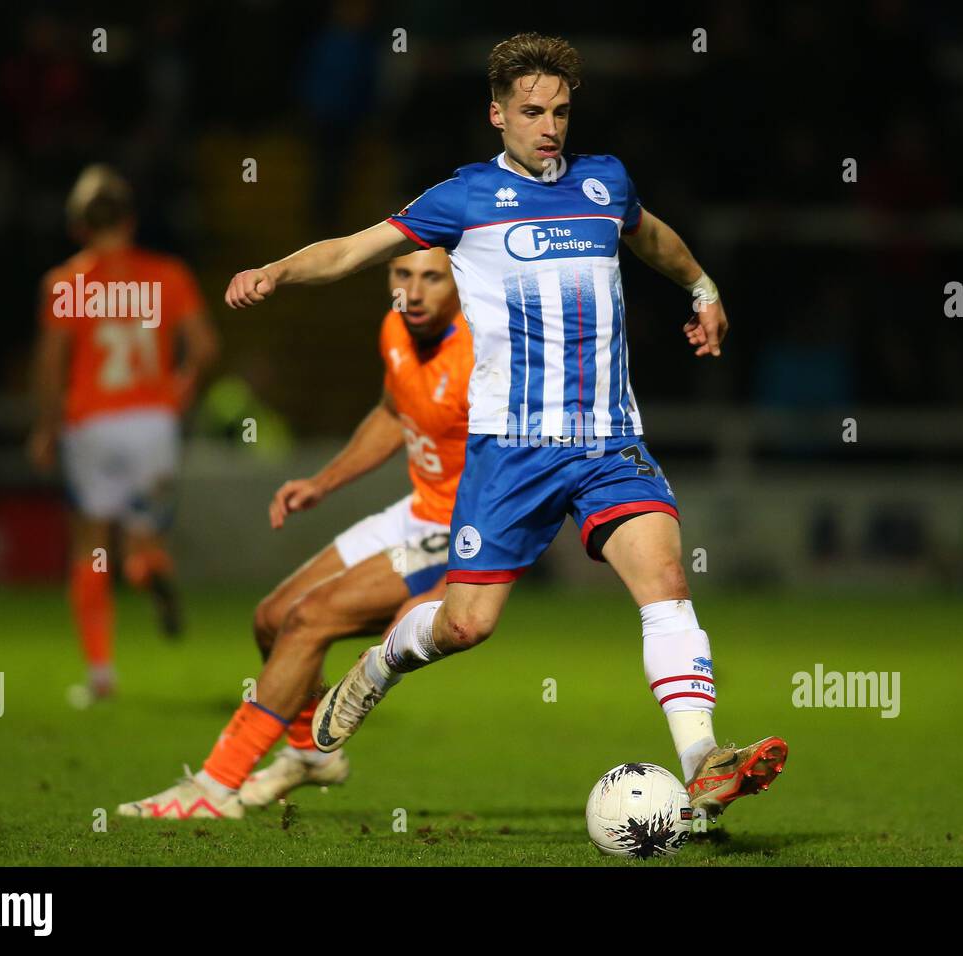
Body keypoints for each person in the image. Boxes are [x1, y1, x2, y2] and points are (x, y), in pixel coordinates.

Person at [224, 33, 787, 820]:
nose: (549, 125)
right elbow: (355, 249)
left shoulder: (604, 183)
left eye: (559, 110)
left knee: (664, 582)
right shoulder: (464, 198)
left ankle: (704, 761)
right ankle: (384, 661)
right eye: (531, 111)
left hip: (606, 441)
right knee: (466, 625)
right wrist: (277, 270)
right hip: (510, 452)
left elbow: (651, 237)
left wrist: (701, 287)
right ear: (497, 115)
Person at [119, 248, 469, 818]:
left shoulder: (487, 354)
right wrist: (323, 483)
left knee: (309, 620)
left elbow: (525, 462)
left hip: (461, 528)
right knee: (273, 618)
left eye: (432, 277)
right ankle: (310, 754)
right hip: (416, 512)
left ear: (459, 283)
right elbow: (391, 412)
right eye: (402, 275)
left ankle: (215, 787)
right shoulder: (396, 329)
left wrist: (461, 580)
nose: (415, 290)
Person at [29, 165, 218, 703]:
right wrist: (177, 394)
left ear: (77, 226)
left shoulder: (65, 283)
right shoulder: (169, 276)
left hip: (92, 424)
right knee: (145, 537)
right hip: (152, 425)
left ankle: (100, 675)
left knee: (90, 546)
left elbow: (49, 364)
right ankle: (150, 570)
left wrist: (46, 427)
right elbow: (204, 349)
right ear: (131, 221)